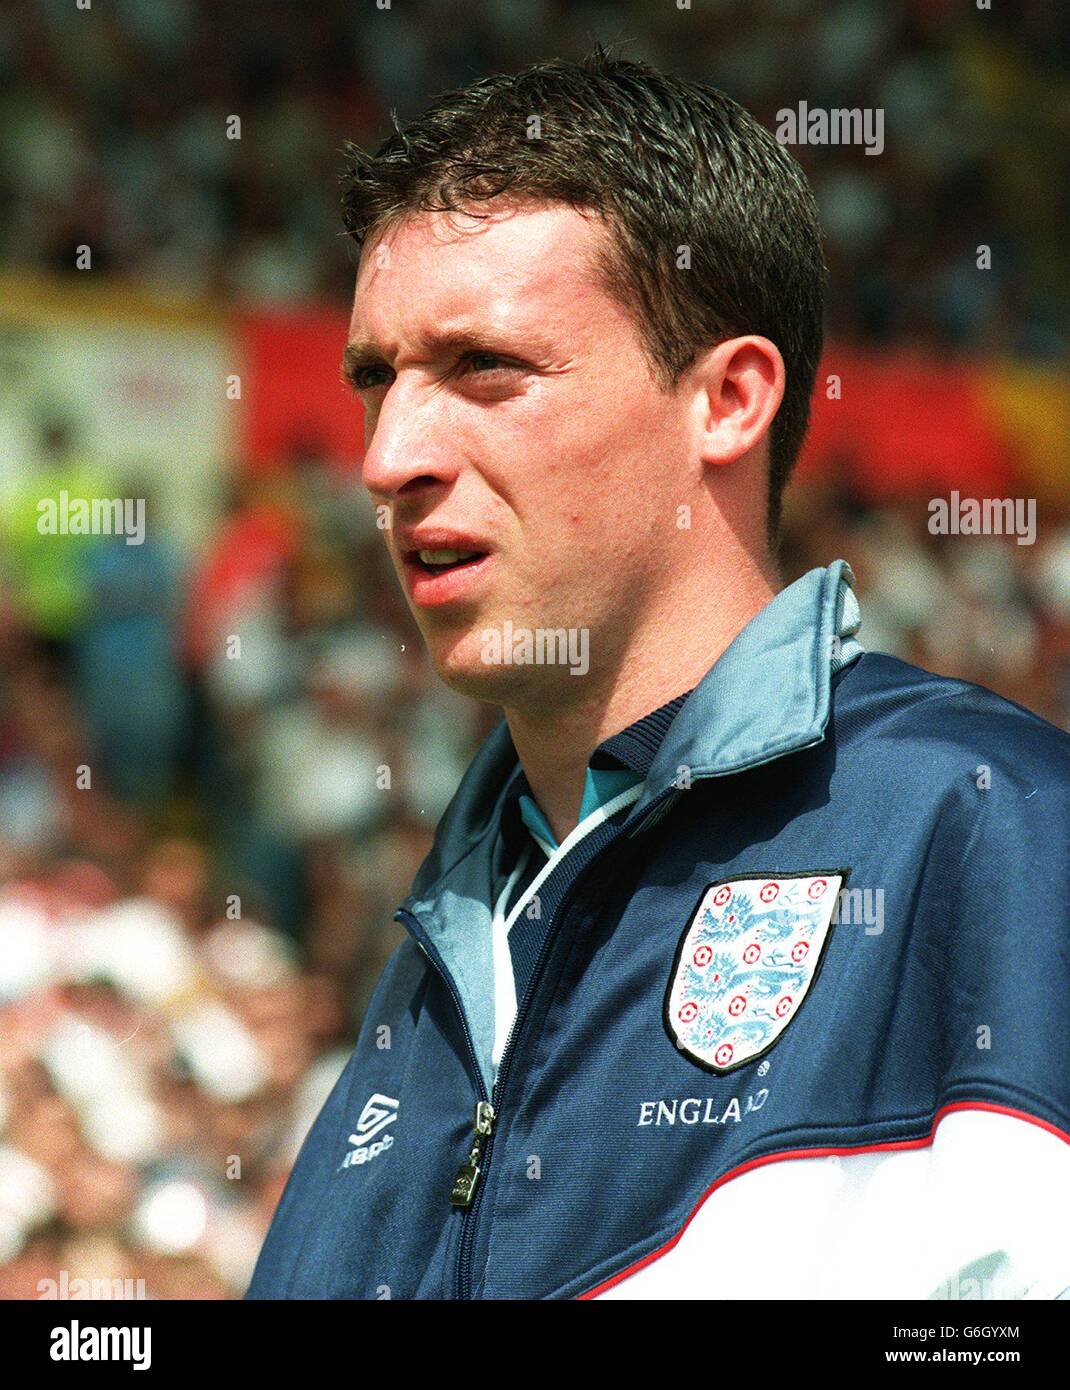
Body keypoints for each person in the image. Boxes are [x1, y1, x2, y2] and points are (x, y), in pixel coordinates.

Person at [247, 49, 1070, 1301]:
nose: (389, 455)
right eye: (377, 381)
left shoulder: (992, 827)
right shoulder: (445, 943)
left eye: (485, 368)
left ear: (726, 400)